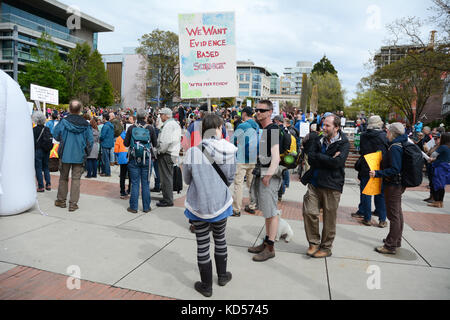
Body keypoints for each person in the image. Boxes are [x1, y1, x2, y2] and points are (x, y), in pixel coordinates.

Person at [183, 114, 237, 297]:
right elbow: (230, 178)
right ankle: (222, 276)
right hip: (221, 203)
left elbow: (186, 179)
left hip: (198, 206)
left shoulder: (193, 151)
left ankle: (206, 286)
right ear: (220, 128)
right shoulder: (229, 150)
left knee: (202, 244)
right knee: (220, 239)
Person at [301, 114, 350, 258]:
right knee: (309, 212)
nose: (324, 128)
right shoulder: (318, 139)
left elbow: (337, 163)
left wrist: (321, 158)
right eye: (323, 125)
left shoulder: (344, 143)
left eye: (328, 126)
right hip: (314, 183)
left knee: (329, 219)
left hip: (332, 185)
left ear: (336, 127)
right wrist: (328, 158)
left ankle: (326, 247)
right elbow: (311, 156)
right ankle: (313, 242)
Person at [247, 100, 282, 262]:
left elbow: (275, 157)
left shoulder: (272, 130)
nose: (258, 112)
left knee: (271, 212)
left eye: (262, 110)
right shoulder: (265, 130)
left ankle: (270, 247)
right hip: (263, 173)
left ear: (270, 112)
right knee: (267, 212)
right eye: (256, 110)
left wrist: (268, 175)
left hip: (269, 175)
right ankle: (267, 241)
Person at [369, 123, 408, 254]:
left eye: (387, 132)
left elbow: (395, 169)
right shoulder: (401, 143)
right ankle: (396, 240)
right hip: (397, 184)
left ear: (392, 133)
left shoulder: (395, 147)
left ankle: (390, 245)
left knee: (393, 215)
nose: (386, 134)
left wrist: (377, 173)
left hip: (393, 185)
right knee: (397, 213)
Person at [53, 100, 94, 212]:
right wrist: (86, 152)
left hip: (65, 153)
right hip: (79, 155)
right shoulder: (86, 124)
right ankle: (73, 204)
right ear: (80, 109)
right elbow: (90, 141)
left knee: (63, 178)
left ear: (70, 109)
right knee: (76, 179)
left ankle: (61, 201)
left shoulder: (63, 122)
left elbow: (56, 135)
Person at [352, 116, 388, 228]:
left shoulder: (363, 135)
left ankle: (367, 218)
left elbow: (361, 150)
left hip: (366, 166)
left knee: (366, 193)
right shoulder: (384, 136)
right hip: (379, 167)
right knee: (380, 194)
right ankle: (382, 219)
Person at [123, 108, 155, 213]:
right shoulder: (150, 128)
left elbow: (126, 144)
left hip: (133, 158)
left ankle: (133, 207)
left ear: (136, 117)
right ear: (145, 117)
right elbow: (155, 144)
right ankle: (146, 207)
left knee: (135, 182)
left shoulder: (131, 128)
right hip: (147, 158)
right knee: (145, 183)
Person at [232, 107, 259, 217]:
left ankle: (236, 209)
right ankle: (252, 206)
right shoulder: (257, 125)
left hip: (242, 158)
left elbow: (234, 140)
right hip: (253, 158)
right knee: (251, 184)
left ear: (244, 114)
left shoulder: (242, 126)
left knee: (238, 184)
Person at [156, 107, 182, 207]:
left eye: (162, 114)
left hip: (167, 153)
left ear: (166, 115)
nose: (160, 116)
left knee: (166, 177)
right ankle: (167, 197)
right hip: (173, 152)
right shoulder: (175, 124)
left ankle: (167, 199)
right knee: (168, 176)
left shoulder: (168, 125)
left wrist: (159, 151)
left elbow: (165, 141)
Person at [427, 132, 450, 208]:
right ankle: (440, 202)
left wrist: (432, 158)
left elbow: (433, 154)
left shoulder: (443, 147)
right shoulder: (448, 147)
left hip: (440, 167)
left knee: (437, 184)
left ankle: (437, 202)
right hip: (447, 167)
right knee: (441, 185)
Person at [33, 112, 52, 192]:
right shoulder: (47, 129)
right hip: (46, 150)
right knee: (46, 167)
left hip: (38, 150)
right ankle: (48, 184)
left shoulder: (34, 130)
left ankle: (41, 186)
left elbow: (32, 142)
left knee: (38, 168)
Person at [115, 129, 131, 199]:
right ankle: (130, 190)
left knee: (122, 175)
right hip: (130, 158)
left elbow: (116, 150)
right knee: (131, 176)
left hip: (122, 158)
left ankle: (122, 191)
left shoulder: (119, 138)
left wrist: (119, 155)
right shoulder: (132, 137)